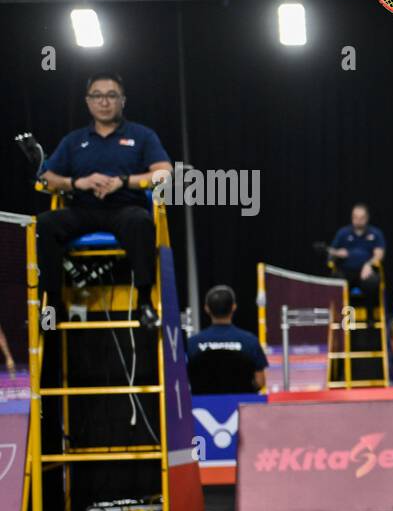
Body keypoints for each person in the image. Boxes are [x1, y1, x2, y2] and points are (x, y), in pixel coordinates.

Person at [38, 72, 172, 330]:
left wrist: (123, 181)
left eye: (112, 96)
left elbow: (165, 172)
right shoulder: (74, 140)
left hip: (125, 209)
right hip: (83, 209)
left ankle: (144, 303)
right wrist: (78, 183)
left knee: (141, 222)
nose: (104, 102)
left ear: (123, 100)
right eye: (97, 96)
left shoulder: (142, 135)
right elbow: (47, 178)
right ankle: (53, 304)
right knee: (44, 224)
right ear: (88, 102)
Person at [186, 285, 268, 394]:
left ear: (207, 308)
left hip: (202, 405)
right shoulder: (250, 341)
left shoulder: (192, 343)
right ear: (233, 307)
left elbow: (185, 380)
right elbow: (260, 381)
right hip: (241, 404)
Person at [328, 203, 385, 306]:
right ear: (352, 217)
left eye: (361, 217)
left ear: (367, 218)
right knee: (336, 280)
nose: (358, 220)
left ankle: (370, 318)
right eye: (355, 217)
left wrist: (369, 264)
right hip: (345, 271)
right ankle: (341, 316)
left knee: (372, 282)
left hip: (365, 271)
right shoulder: (343, 232)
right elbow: (331, 251)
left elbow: (379, 254)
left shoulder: (375, 233)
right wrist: (337, 253)